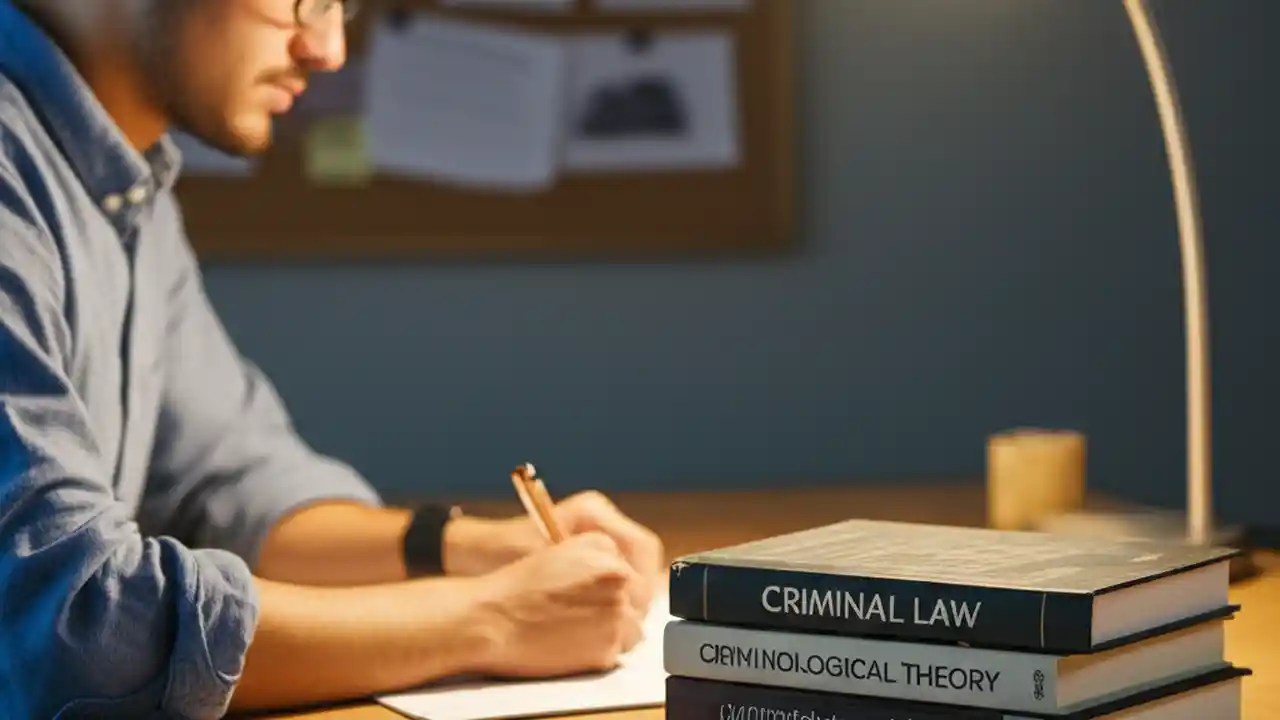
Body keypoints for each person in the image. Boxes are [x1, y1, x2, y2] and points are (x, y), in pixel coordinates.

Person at [0, 0, 666, 717]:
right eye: (303, 0)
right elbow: (72, 625)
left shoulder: (129, 191)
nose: (327, 48)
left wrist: (471, 548)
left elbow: (231, 487)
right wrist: (491, 618)